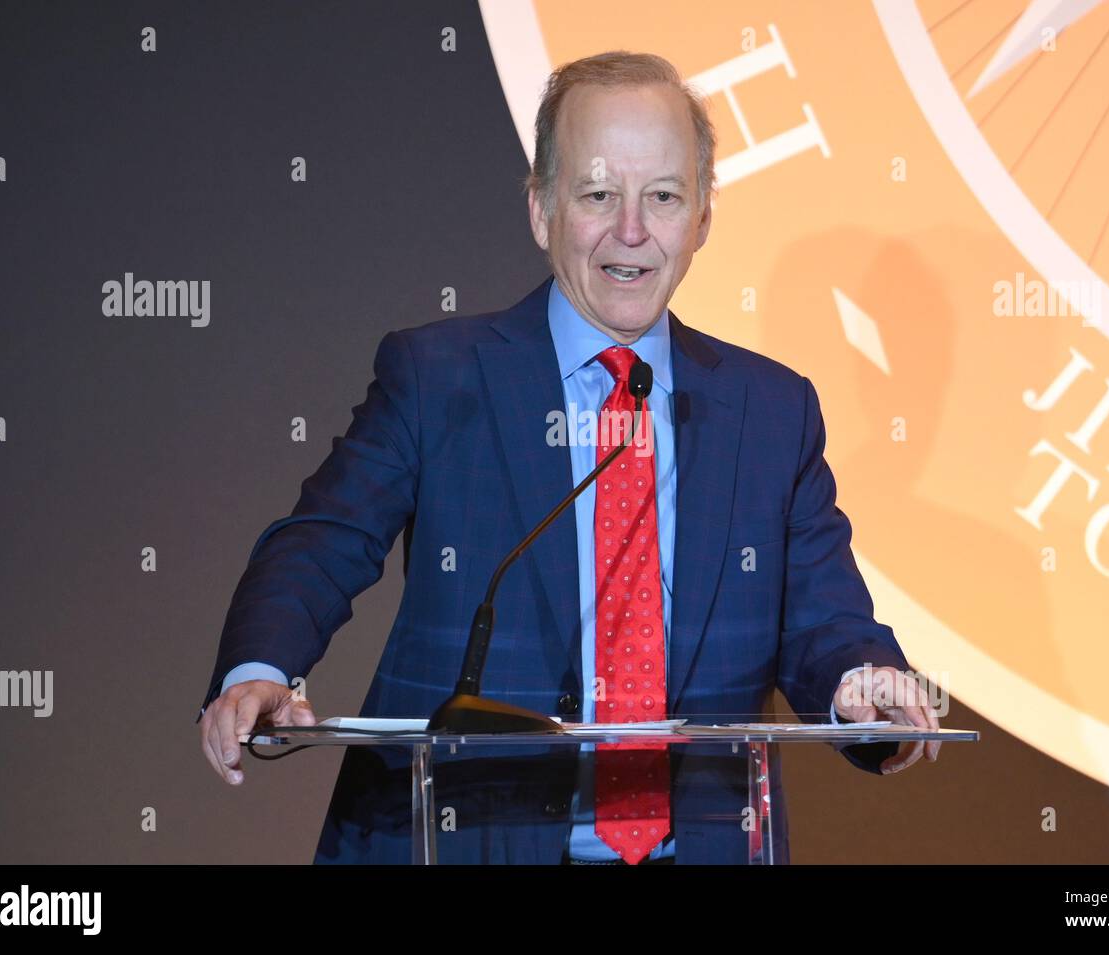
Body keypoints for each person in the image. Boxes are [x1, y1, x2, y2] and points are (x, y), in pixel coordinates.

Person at [197, 50, 940, 865]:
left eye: (663, 196)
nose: (632, 230)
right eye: (597, 195)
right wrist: (262, 667)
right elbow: (324, 539)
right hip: (462, 838)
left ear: (702, 218)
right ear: (543, 212)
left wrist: (861, 682)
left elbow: (825, 620)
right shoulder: (442, 376)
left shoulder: (771, 409)